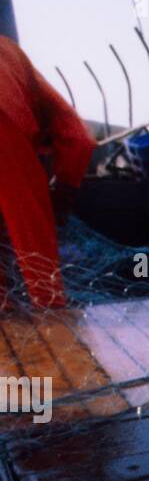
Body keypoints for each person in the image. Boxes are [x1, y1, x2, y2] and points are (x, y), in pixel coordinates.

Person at [0, 36, 95, 310]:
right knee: (33, 234)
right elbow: (80, 140)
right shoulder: (20, 65)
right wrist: (63, 194)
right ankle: (53, 315)